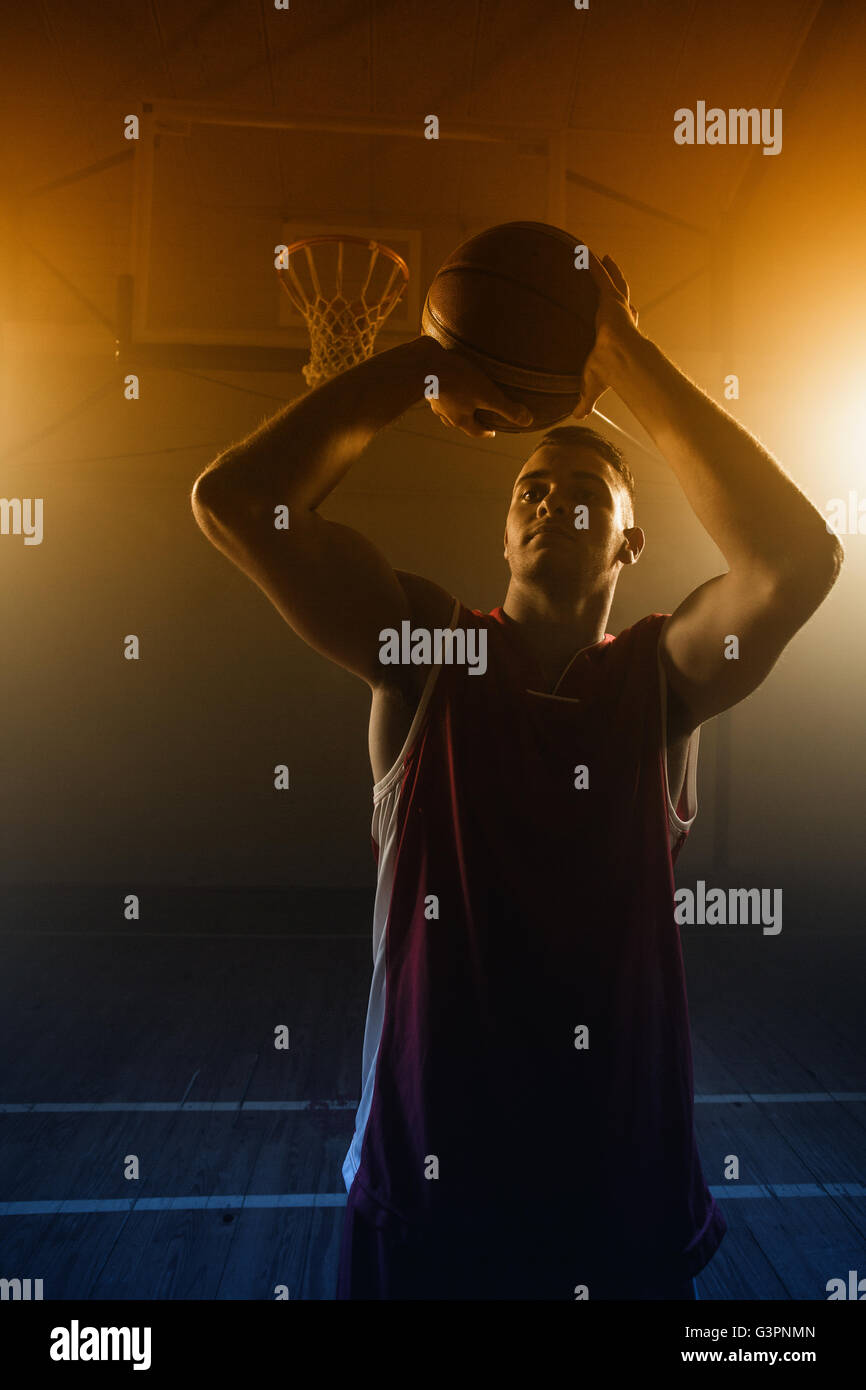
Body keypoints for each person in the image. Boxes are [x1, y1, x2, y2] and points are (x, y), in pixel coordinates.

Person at [190, 251, 842, 1299]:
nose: (548, 499)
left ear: (631, 540)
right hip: (430, 1193)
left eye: (584, 490)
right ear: (501, 528)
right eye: (529, 487)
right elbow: (236, 499)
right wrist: (434, 362)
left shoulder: (662, 681)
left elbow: (795, 562)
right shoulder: (425, 650)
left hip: (615, 1197)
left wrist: (621, 350)